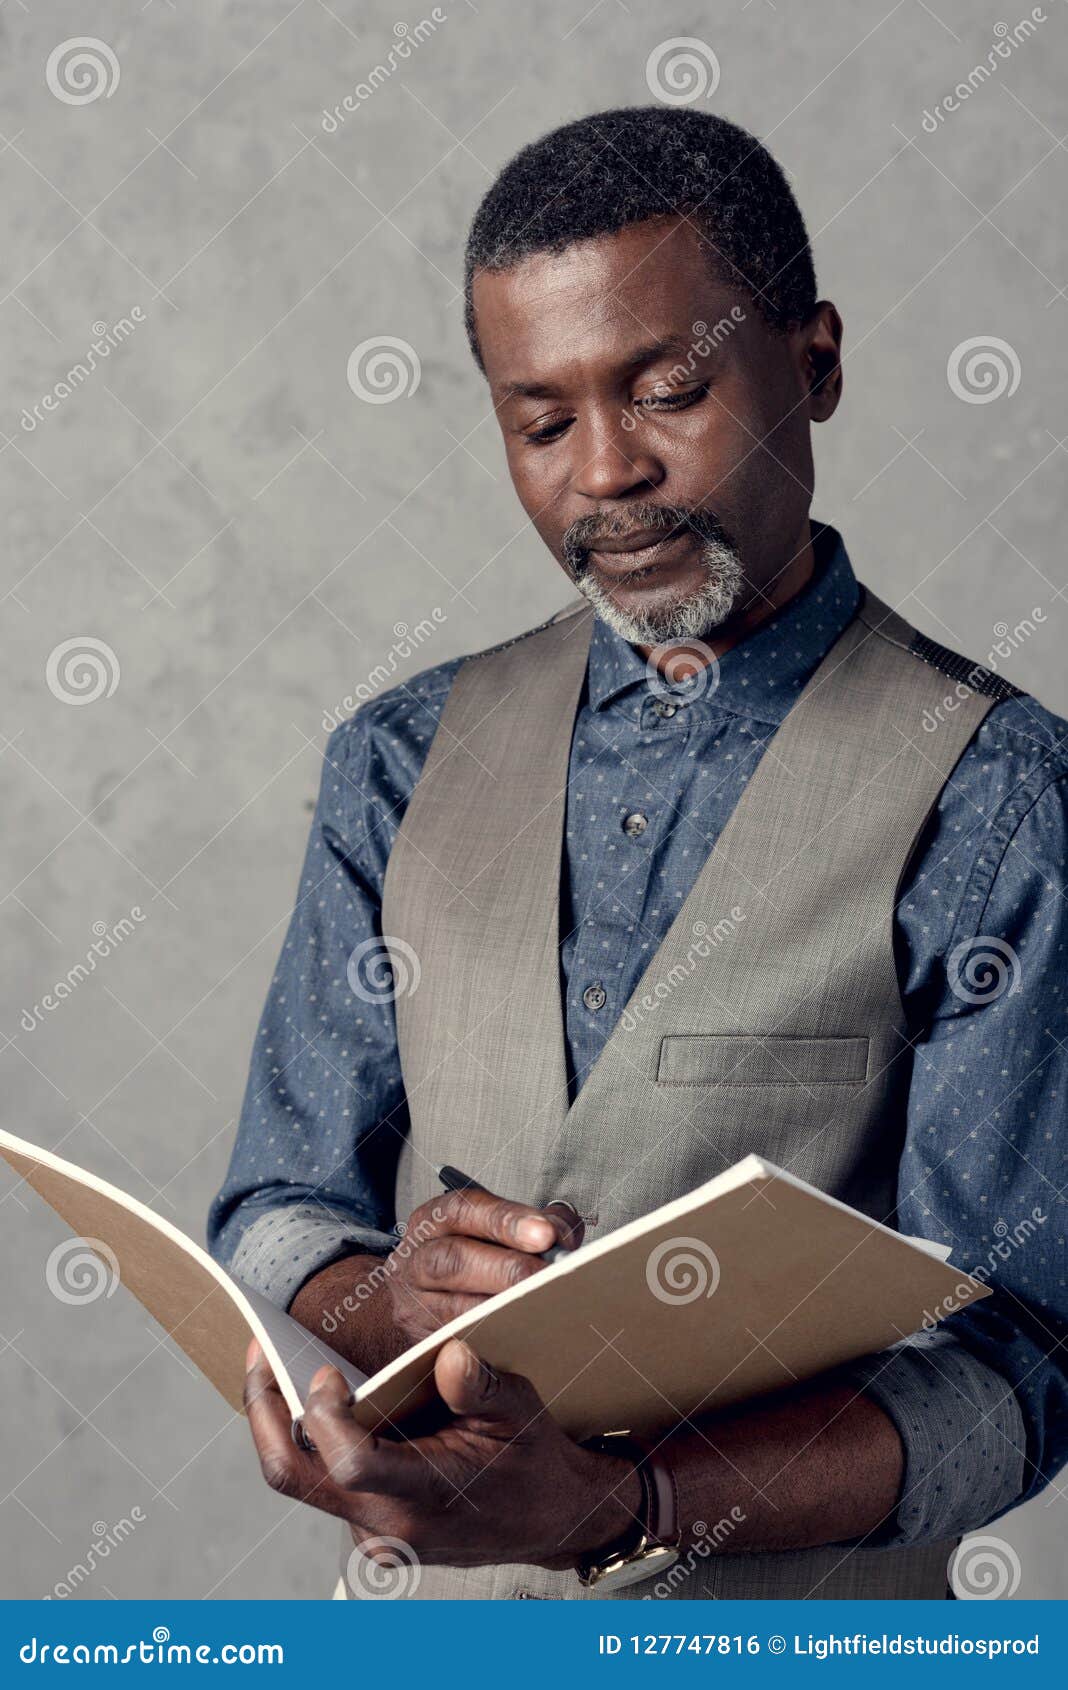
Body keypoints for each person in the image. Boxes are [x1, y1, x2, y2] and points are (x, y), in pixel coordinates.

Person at [208, 106, 1067, 1600]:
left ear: (816, 363)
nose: (604, 471)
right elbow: (278, 1206)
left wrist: (628, 1501)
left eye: (666, 391)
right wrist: (388, 1300)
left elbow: (1027, 1359)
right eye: (541, 423)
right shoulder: (396, 758)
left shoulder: (999, 793)